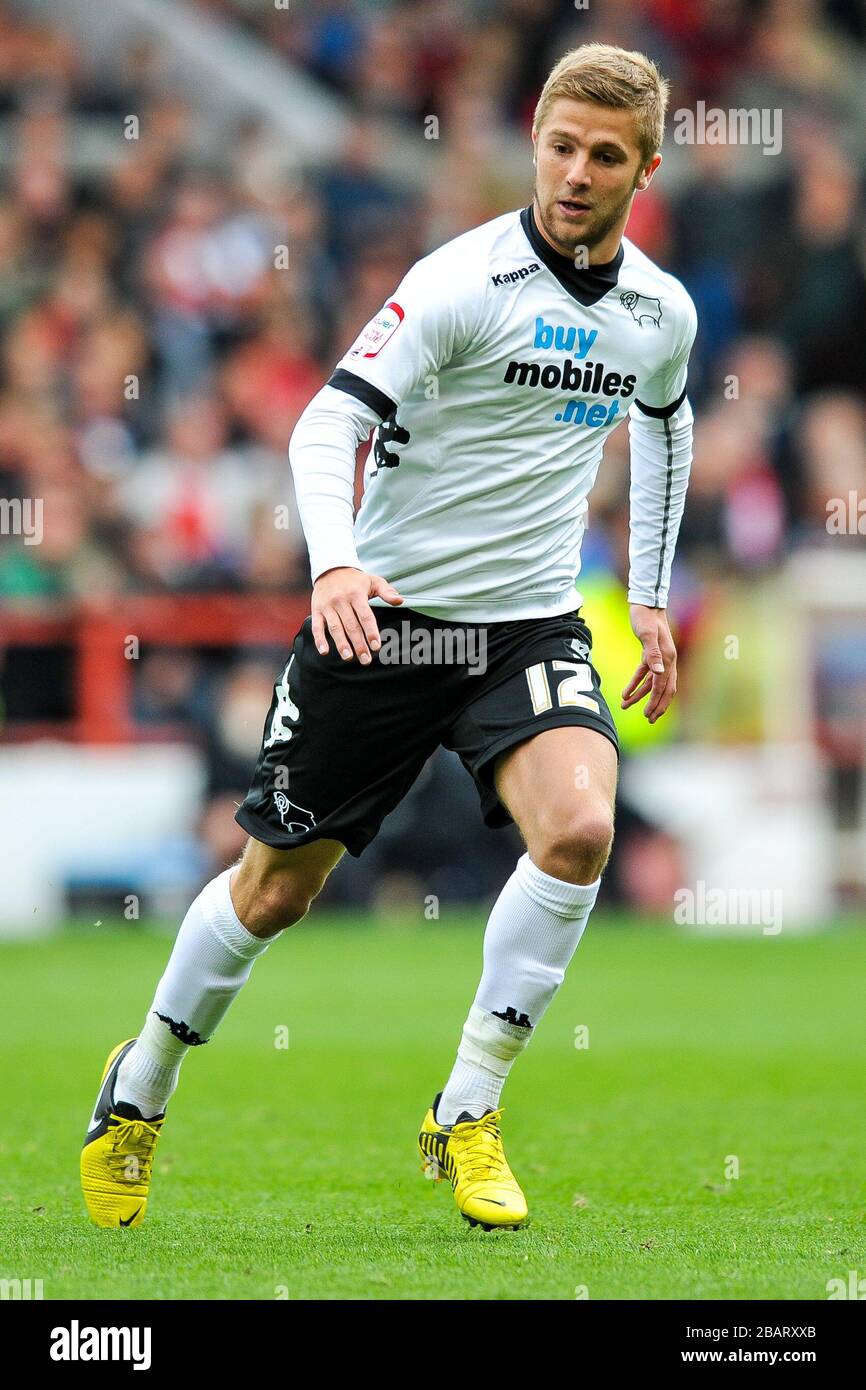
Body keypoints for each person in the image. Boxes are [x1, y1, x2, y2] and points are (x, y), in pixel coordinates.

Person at [81, 42, 697, 1232]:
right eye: (560, 145)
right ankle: (141, 1085)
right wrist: (335, 563)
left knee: (577, 830)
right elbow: (325, 426)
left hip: (523, 624)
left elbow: (666, 430)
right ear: (533, 138)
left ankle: (465, 1108)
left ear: (644, 169)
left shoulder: (656, 313)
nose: (575, 172)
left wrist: (655, 593)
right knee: (272, 891)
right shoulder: (459, 280)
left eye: (604, 156)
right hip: (388, 623)